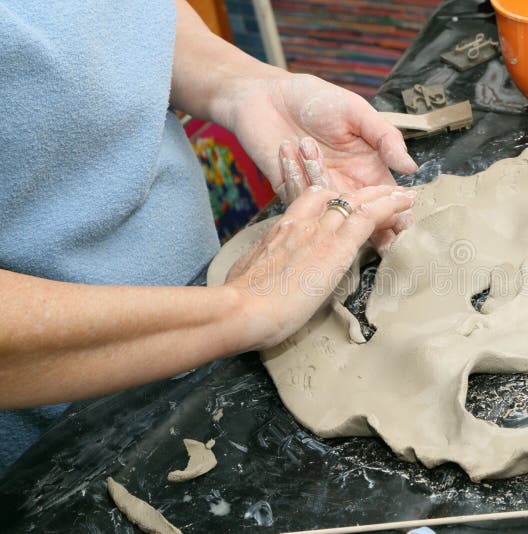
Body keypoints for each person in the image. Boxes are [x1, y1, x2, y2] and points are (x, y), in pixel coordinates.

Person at [0, 0, 419, 472]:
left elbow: (121, 20)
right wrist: (244, 308)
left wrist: (247, 88)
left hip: (210, 322)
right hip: (67, 427)